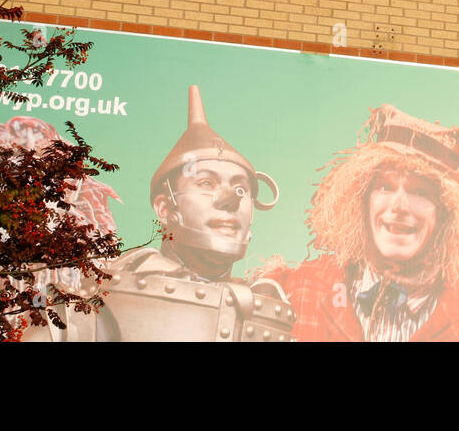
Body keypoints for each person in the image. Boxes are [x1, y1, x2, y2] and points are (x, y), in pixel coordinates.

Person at [26, 85, 295, 342]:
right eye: (206, 183)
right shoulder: (93, 301)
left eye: (240, 188)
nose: (229, 201)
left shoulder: (269, 306)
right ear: (165, 209)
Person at [255, 104, 459, 342]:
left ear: (445, 214)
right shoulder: (295, 290)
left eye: (420, 192)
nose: (398, 207)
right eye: (385, 187)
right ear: (363, 200)